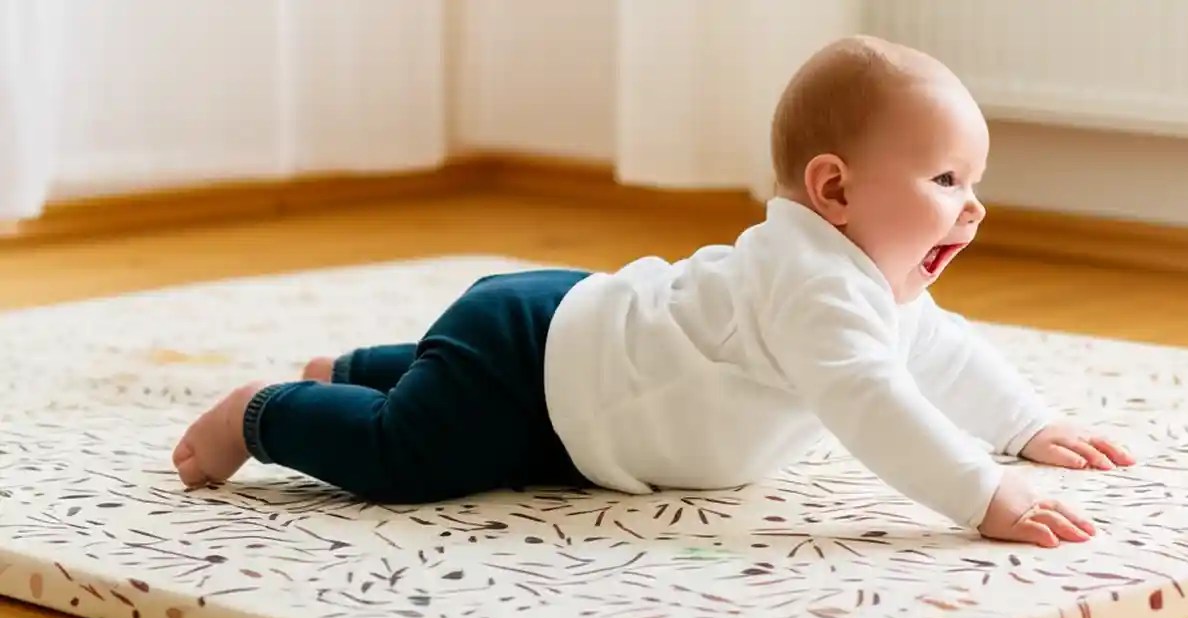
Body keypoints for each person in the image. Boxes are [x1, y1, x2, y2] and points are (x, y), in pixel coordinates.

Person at [172, 35, 1134, 548]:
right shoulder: (812, 286)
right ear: (834, 190)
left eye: (974, 184)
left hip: (572, 412)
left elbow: (940, 354)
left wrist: (1024, 425)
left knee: (482, 435)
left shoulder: (865, 280)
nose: (972, 212)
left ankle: (352, 367)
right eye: (947, 183)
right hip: (534, 351)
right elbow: (874, 404)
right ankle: (261, 414)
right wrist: (983, 495)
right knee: (411, 459)